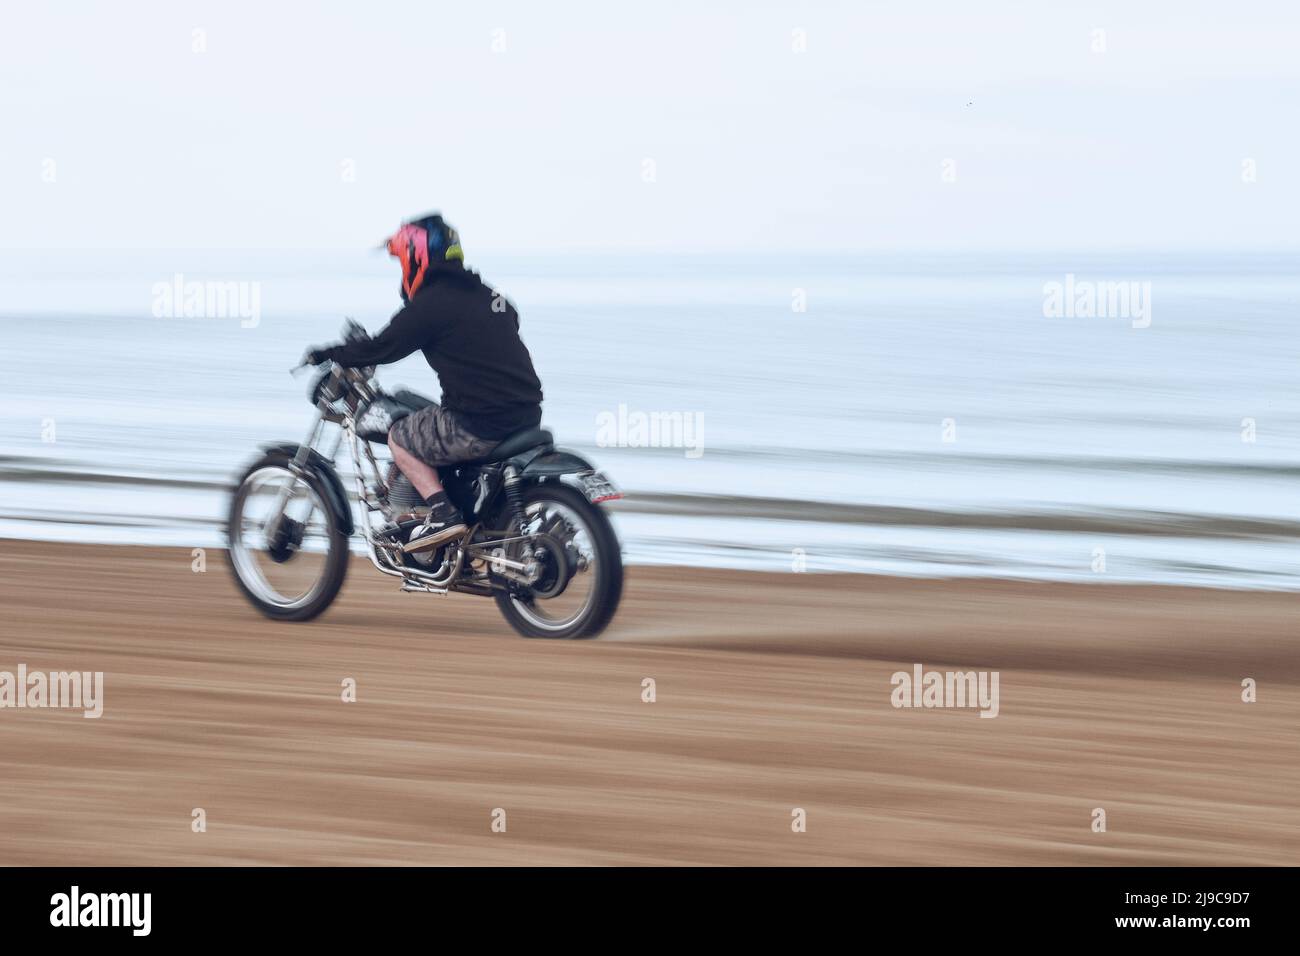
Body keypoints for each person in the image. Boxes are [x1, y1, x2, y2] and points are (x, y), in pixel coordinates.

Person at [304, 213, 543, 550]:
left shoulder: (431, 304)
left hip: (479, 424)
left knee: (400, 436)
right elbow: (496, 324)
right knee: (429, 417)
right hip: (526, 415)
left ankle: (444, 514)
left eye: (402, 259)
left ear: (417, 257)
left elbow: (383, 347)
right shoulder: (488, 295)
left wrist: (331, 353)